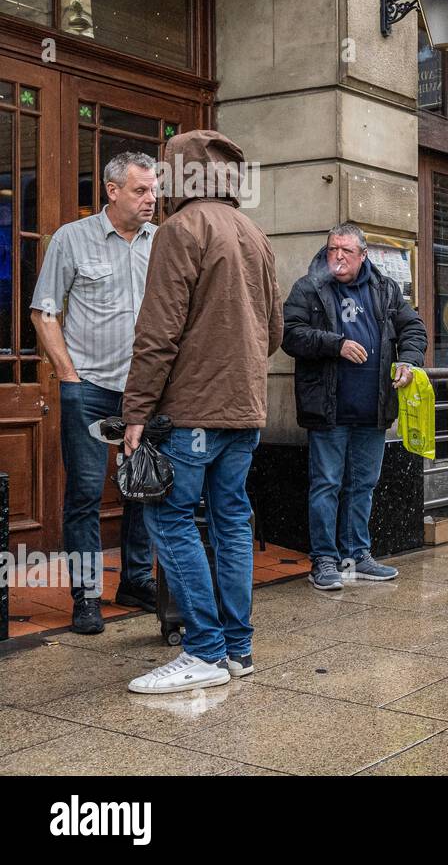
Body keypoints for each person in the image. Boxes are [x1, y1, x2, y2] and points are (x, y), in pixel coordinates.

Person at [121, 131, 283, 695]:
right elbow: (276, 332)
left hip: (190, 411)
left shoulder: (179, 230)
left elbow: (158, 333)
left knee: (169, 519)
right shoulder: (252, 232)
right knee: (232, 522)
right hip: (245, 411)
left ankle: (205, 650)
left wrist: (135, 411)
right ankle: (237, 649)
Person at [29, 153, 160, 634]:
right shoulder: (71, 238)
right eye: (140, 190)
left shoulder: (160, 243)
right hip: (89, 389)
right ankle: (86, 595)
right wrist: (68, 376)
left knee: (144, 489)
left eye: (153, 190)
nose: (151, 199)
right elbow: (44, 312)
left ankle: (136, 580)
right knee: (85, 493)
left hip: (144, 392)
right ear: (111, 190)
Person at [281, 223, 428, 590]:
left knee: (363, 484)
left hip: (373, 409)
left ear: (363, 255)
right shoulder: (309, 287)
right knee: (327, 484)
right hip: (328, 410)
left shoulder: (385, 289)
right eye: (333, 249)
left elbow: (414, 329)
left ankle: (357, 556)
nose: (338, 257)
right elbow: (288, 334)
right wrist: (335, 344)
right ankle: (324, 561)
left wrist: (408, 362)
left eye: (347, 251)